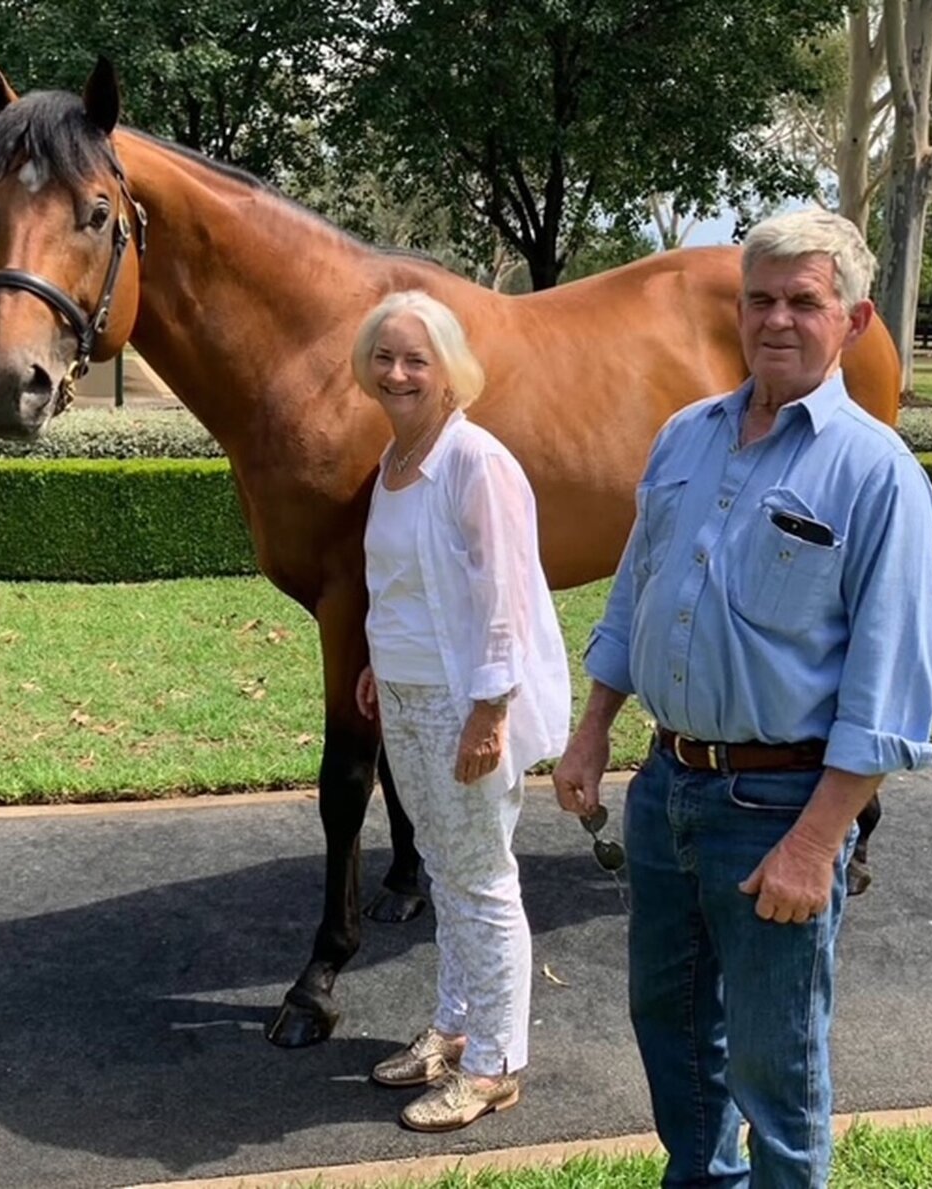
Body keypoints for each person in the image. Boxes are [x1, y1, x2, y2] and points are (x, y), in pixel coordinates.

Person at [552, 210, 932, 1188]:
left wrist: (817, 843)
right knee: (673, 1032)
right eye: (759, 299)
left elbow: (890, 686)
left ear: (851, 321)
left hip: (779, 808)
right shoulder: (688, 435)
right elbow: (637, 589)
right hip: (667, 790)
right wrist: (593, 729)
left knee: (779, 1067)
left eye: (802, 302)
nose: (775, 320)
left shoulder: (876, 474)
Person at [352, 289, 571, 1132]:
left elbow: (505, 598)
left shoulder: (477, 462)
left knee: (481, 877)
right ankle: (453, 1026)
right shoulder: (395, 460)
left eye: (417, 359)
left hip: (466, 702)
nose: (399, 373)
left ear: (450, 371)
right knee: (441, 867)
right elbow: (399, 585)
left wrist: (490, 711)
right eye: (385, 356)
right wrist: (377, 661)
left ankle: (496, 1062)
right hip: (406, 694)